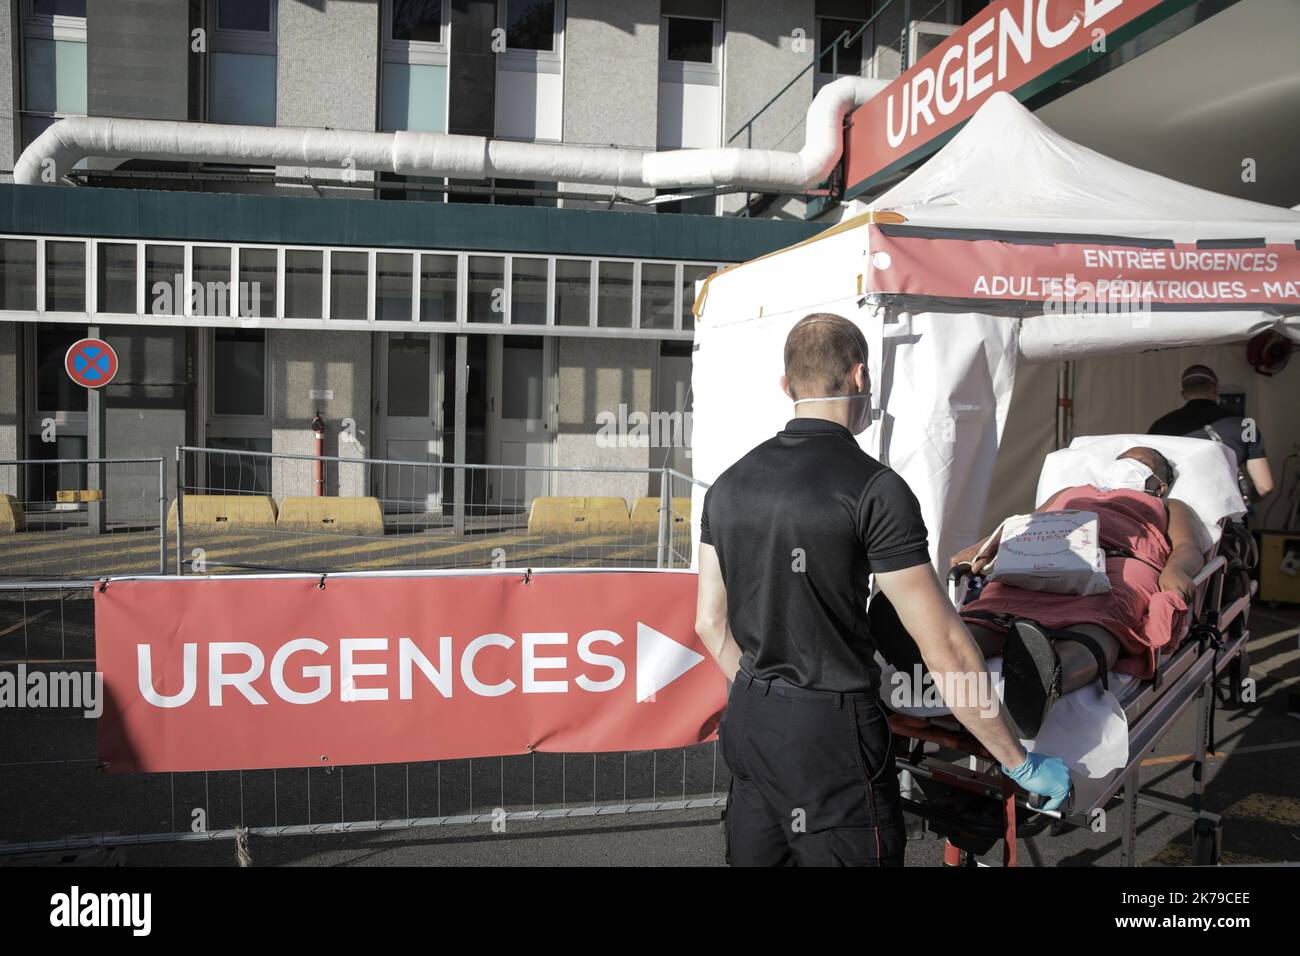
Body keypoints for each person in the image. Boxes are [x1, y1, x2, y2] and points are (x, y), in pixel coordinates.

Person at [693, 312, 1070, 867]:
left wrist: (771, 694)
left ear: (786, 386)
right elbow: (943, 644)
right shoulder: (874, 488)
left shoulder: (727, 485)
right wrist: (1016, 759)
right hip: (831, 733)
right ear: (861, 377)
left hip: (750, 718)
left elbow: (708, 622)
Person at [949, 447, 1204, 737]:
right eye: (1121, 460)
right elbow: (1028, 523)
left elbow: (1187, 546)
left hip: (1120, 563)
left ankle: (1043, 684)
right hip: (1045, 554)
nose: (1126, 465)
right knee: (992, 610)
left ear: (1160, 485)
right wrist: (983, 547)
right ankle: (927, 662)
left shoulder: (1171, 506)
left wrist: (1176, 571)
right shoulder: (1074, 490)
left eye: (1140, 463)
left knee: (1100, 622)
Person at [1149, 365, 1273, 498]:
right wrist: (1243, 502)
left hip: (1181, 512)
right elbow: (1265, 485)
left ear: (1184, 394)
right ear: (1215, 389)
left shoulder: (1161, 426)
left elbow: (1152, 478)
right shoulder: (1246, 425)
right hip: (1229, 512)